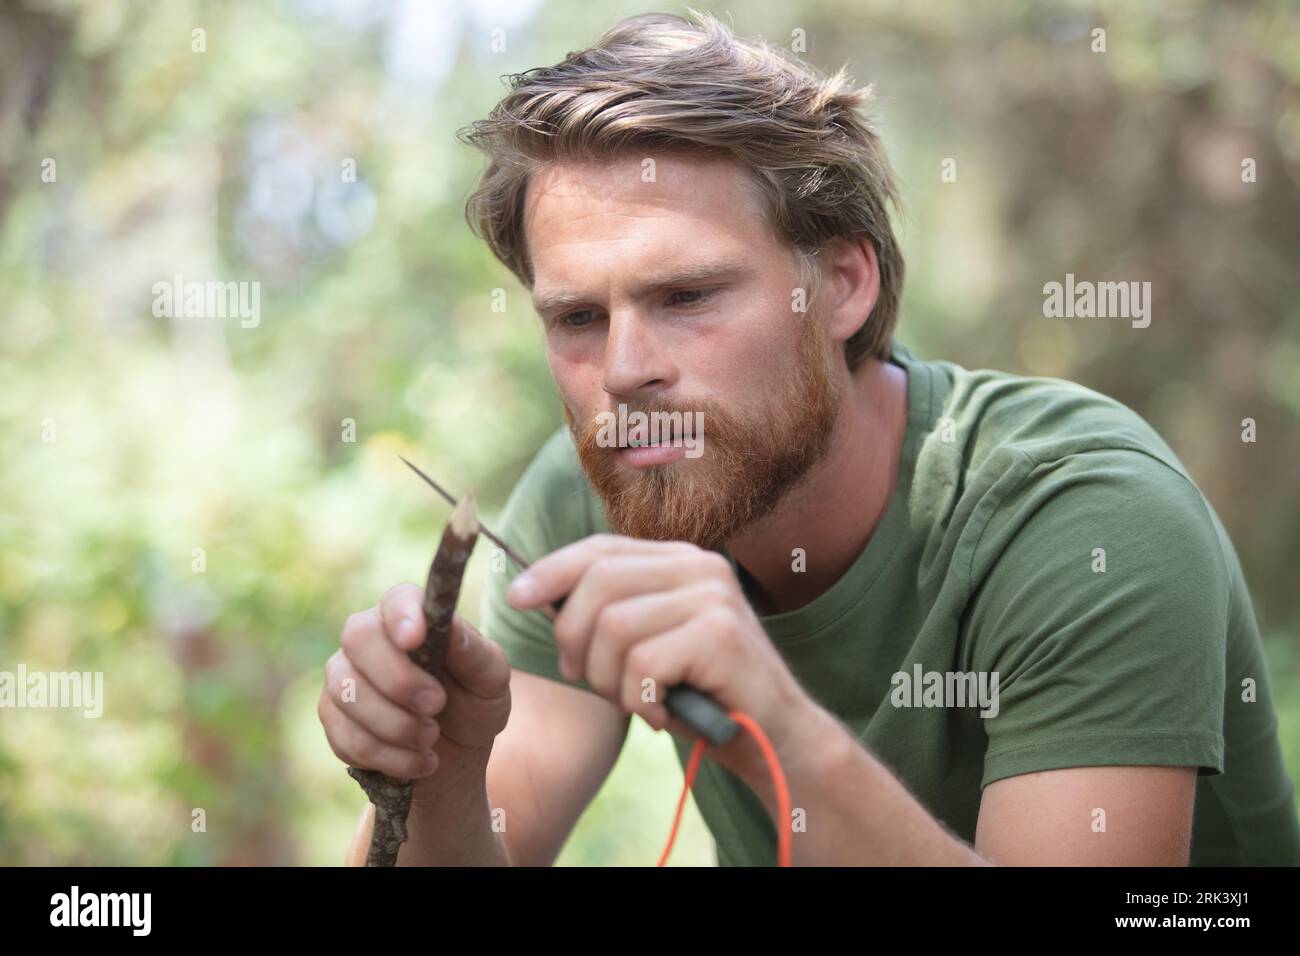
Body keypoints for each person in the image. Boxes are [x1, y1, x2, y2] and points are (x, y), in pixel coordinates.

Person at [319, 10, 1300, 866]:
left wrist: (778, 728)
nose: (623, 368)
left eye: (687, 294)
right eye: (577, 318)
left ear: (842, 283)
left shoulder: (1081, 515)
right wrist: (442, 774)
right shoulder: (598, 490)